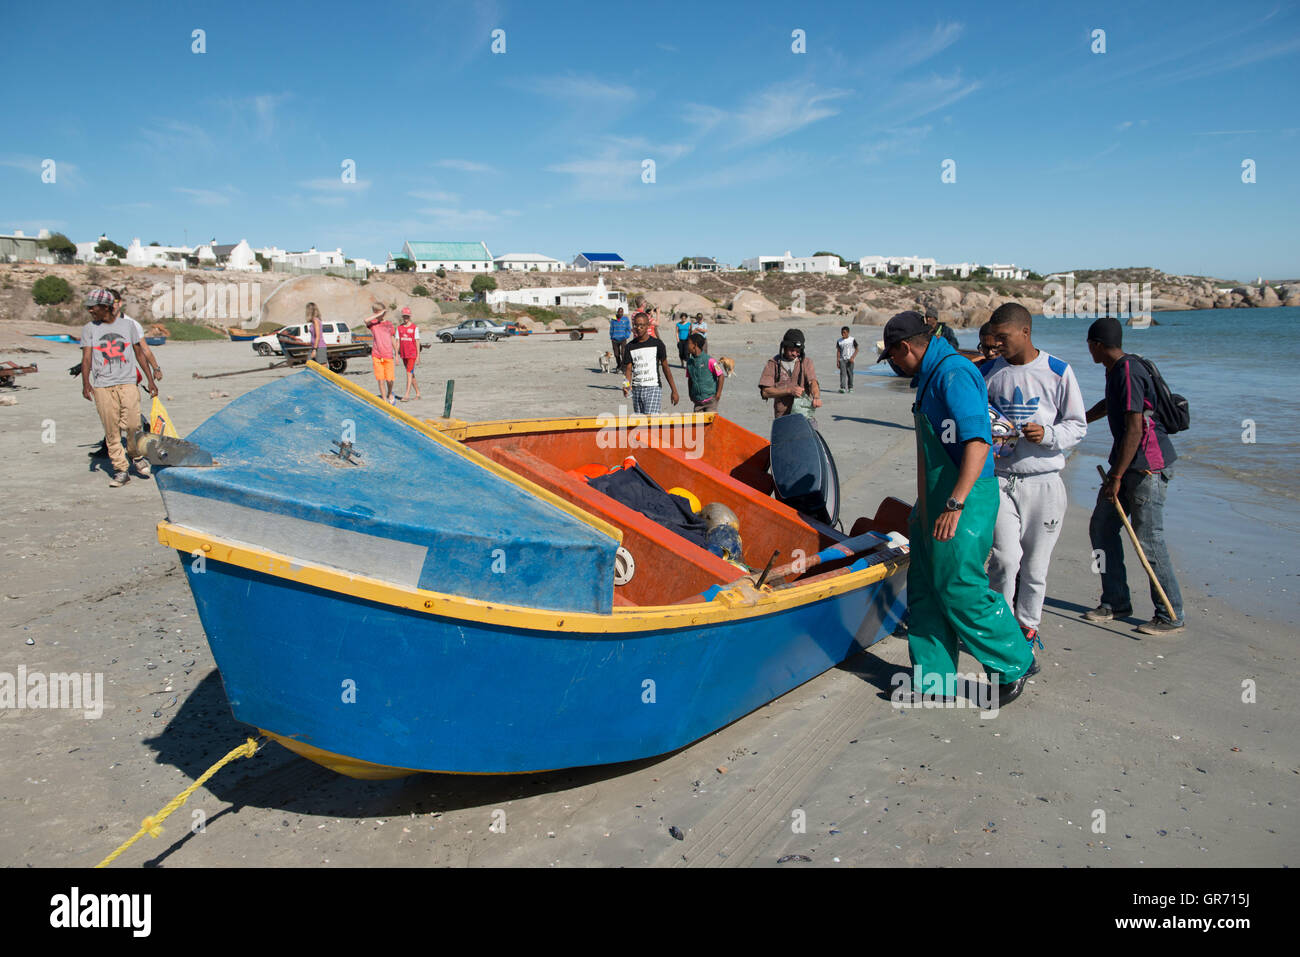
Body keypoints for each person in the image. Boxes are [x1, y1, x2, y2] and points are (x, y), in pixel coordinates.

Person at [876, 310, 1037, 705]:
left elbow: (979, 442)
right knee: (926, 591)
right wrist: (923, 508)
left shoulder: (953, 373)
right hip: (934, 502)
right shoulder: (930, 378)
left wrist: (954, 502)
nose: (893, 364)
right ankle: (934, 679)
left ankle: (1015, 660)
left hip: (964, 500)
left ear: (906, 347)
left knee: (960, 587)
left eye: (893, 356)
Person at [982, 303, 1087, 649]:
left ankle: (1026, 629)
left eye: (1003, 337)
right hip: (1000, 481)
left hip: (1044, 483)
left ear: (1025, 332)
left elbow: (1077, 425)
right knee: (1004, 560)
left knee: (1035, 568)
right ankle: (1000, 630)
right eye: (993, 338)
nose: (996, 345)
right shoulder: (988, 373)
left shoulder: (1058, 371)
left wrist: (1049, 434)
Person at [1083, 317, 1185, 634]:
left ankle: (1171, 614)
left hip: (1145, 468)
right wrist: (1079, 419)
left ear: (1096, 345)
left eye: (1089, 345)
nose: (1089, 350)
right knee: (1101, 527)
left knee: (1148, 541)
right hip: (1125, 465)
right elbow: (1111, 405)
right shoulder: (1116, 370)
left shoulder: (1128, 370)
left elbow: (1135, 427)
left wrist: (1115, 477)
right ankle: (1116, 601)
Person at [79, 289, 158, 487]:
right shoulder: (89, 329)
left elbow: (140, 353)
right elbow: (87, 357)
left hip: (128, 381)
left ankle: (134, 454)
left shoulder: (128, 325)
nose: (90, 310)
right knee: (111, 429)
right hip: (102, 385)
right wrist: (86, 383)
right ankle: (120, 470)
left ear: (105, 307)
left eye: (93, 307)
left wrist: (150, 379)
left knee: (133, 424)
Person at [758, 328, 821, 421]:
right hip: (782, 417)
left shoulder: (806, 362)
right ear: (784, 348)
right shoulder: (773, 363)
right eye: (791, 350)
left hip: (804, 416)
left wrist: (816, 396)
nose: (795, 354)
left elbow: (813, 382)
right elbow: (765, 392)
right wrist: (788, 391)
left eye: (798, 351)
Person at [621, 311, 678, 414]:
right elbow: (628, 370)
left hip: (653, 387)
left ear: (648, 326)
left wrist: (674, 390)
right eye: (636, 325)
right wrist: (626, 385)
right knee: (641, 424)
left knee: (651, 422)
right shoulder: (630, 346)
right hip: (636, 389)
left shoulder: (657, 344)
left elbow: (666, 368)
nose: (639, 328)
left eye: (642, 325)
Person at [685, 333, 725, 412]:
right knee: (698, 424)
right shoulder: (689, 362)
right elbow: (690, 379)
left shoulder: (710, 360)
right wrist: (690, 394)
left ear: (695, 345)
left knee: (711, 423)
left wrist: (718, 394)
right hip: (697, 402)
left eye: (688, 343)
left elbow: (721, 376)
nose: (687, 346)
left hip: (711, 401)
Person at [365, 306, 397, 403]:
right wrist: (377, 315)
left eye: (380, 312)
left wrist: (397, 354)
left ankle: (390, 393)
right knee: (380, 379)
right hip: (377, 355)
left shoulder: (389, 324)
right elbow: (366, 320)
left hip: (388, 355)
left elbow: (392, 338)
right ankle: (384, 400)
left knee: (390, 379)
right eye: (376, 312)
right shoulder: (373, 324)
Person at [396, 307, 421, 401]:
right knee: (411, 373)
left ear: (410, 316)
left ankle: (406, 394)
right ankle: (418, 393)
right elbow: (397, 342)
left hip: (412, 354)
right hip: (403, 354)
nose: (406, 318)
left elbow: (417, 342)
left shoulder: (414, 328)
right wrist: (396, 356)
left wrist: (418, 356)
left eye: (407, 316)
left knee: (408, 373)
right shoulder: (399, 328)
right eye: (404, 316)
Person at [835, 326, 859, 393]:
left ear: (848, 332)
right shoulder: (839, 341)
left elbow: (857, 349)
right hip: (842, 360)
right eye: (842, 332)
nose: (843, 334)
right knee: (843, 374)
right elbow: (838, 351)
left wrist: (852, 357)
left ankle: (850, 387)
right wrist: (837, 361)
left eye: (844, 333)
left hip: (850, 360)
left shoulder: (852, 340)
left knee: (850, 374)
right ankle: (842, 388)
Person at [609, 307, 631, 373]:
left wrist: (626, 336)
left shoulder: (626, 319)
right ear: (617, 312)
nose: (620, 313)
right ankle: (619, 365)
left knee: (623, 353)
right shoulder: (613, 319)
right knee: (616, 354)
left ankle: (624, 367)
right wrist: (612, 336)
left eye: (622, 312)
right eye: (619, 312)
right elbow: (611, 328)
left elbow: (628, 329)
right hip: (614, 339)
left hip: (623, 339)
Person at [306, 302, 327, 366]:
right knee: (309, 364)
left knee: (322, 367)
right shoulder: (314, 321)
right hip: (314, 347)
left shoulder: (316, 321)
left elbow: (318, 336)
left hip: (319, 347)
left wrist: (314, 350)